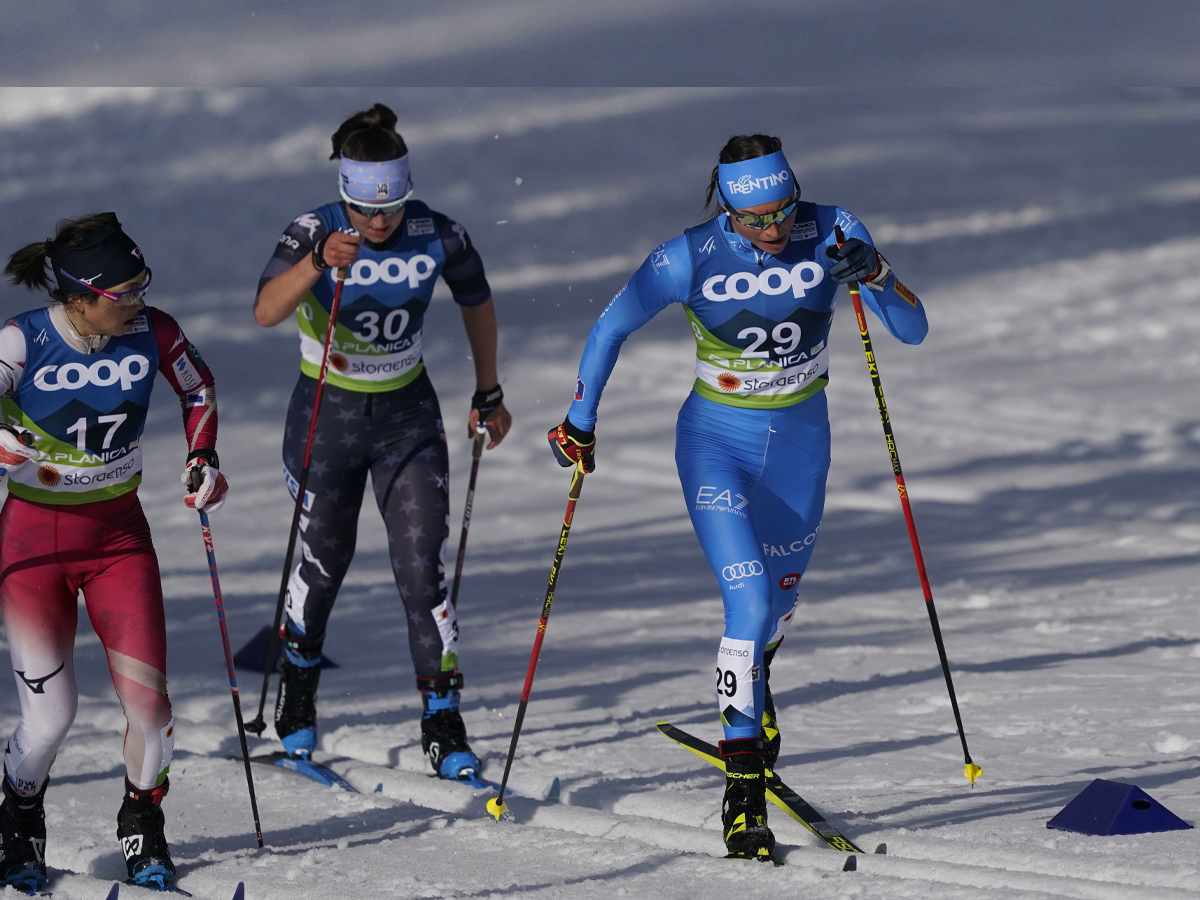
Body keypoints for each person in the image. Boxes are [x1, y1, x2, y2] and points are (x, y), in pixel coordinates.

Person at [548, 135, 928, 860]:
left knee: (777, 610)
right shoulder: (684, 256)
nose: (774, 231)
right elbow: (610, 328)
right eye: (754, 221)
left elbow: (912, 329)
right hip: (715, 443)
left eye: (782, 213)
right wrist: (580, 420)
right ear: (726, 208)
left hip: (800, 445)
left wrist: (876, 273)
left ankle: (751, 678)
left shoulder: (836, 226)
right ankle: (743, 791)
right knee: (748, 604)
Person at [254, 103, 511, 781]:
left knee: (422, 569)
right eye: (366, 212)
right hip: (326, 416)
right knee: (324, 563)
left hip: (407, 417)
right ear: (345, 197)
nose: (379, 224)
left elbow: (476, 299)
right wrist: (315, 262)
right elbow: (265, 311)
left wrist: (489, 389)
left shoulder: (436, 230)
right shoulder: (314, 228)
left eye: (390, 209)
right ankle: (298, 698)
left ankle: (441, 718)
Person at [0, 213, 227, 890]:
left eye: (141, 285)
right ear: (78, 297)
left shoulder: (154, 330)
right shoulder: (24, 338)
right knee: (51, 716)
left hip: (119, 539)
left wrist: (204, 456)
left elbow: (199, 387)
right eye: (122, 292)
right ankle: (17, 820)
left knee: (151, 709)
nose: (137, 301)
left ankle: (142, 822)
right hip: (35, 542)